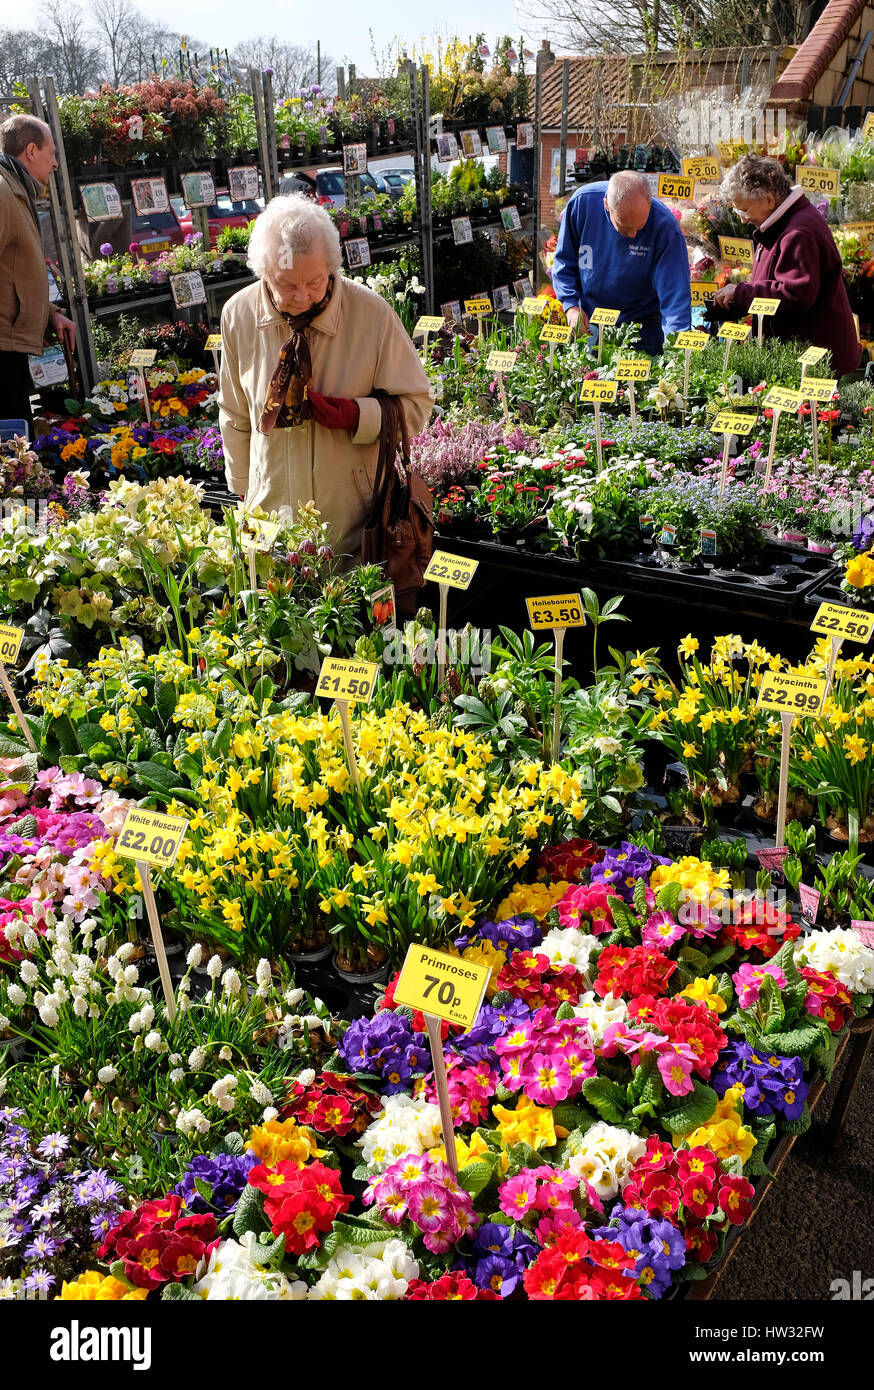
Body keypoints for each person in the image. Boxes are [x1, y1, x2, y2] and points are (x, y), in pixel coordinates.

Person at [219, 194, 434, 559]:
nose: (302, 296)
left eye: (315, 281)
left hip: (353, 525)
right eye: (286, 285)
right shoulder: (238, 315)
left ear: (332, 266)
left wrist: (354, 416)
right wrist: (243, 487)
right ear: (264, 271)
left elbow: (417, 405)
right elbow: (235, 413)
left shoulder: (371, 315)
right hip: (271, 521)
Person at [713, 154, 859, 377]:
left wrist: (742, 293)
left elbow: (794, 295)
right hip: (802, 351)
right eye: (737, 211)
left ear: (770, 200)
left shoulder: (798, 232)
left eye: (744, 210)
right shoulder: (782, 222)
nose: (742, 219)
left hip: (815, 359)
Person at [551, 171, 692, 354]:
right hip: (591, 321)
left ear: (650, 205)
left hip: (643, 325)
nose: (633, 235)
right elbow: (564, 261)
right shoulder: (582, 204)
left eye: (640, 227)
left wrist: (677, 352)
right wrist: (570, 306)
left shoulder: (664, 226)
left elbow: (675, 295)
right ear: (607, 206)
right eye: (624, 228)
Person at [0, 114, 76, 427]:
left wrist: (49, 312)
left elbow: (12, 273)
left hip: (9, 345)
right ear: (31, 151)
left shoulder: (15, 189)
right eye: (52, 153)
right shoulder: (3, 193)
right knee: (12, 451)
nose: (55, 163)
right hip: (2, 351)